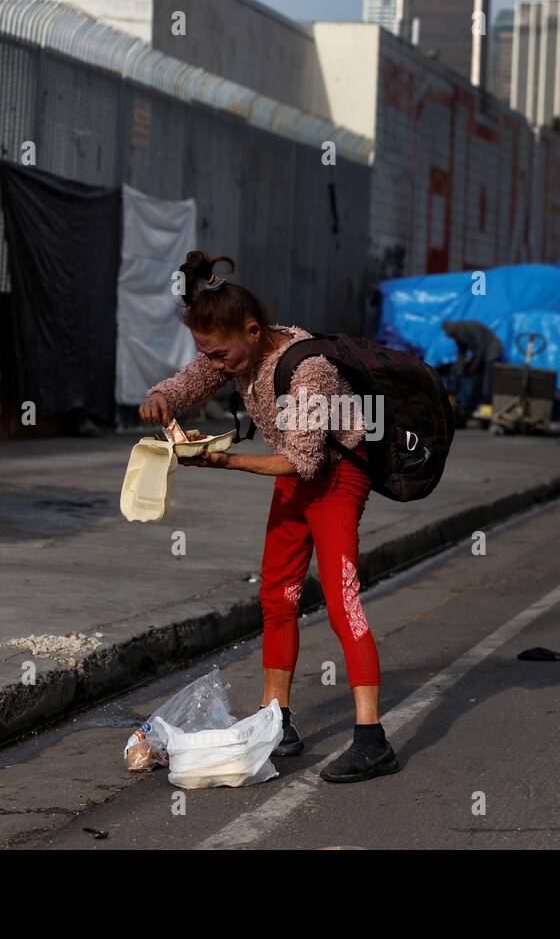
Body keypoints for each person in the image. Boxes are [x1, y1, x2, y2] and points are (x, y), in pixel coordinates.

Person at [139, 251, 399, 784]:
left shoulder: (310, 371)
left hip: (334, 479)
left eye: (219, 354)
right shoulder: (235, 352)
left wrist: (224, 459)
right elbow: (191, 382)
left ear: (254, 331)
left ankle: (372, 739)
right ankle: (277, 722)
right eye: (205, 353)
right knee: (276, 597)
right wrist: (161, 398)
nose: (213, 365)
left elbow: (305, 461)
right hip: (293, 475)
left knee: (342, 603)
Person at [441, 320, 503, 419]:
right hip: (481, 355)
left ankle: (486, 414)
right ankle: (468, 409)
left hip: (492, 352)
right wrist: (458, 372)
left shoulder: (469, 328)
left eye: (453, 336)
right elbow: (461, 356)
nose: (454, 339)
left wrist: (474, 366)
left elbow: (481, 348)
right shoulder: (459, 337)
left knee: (487, 385)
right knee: (472, 381)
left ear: (455, 332)